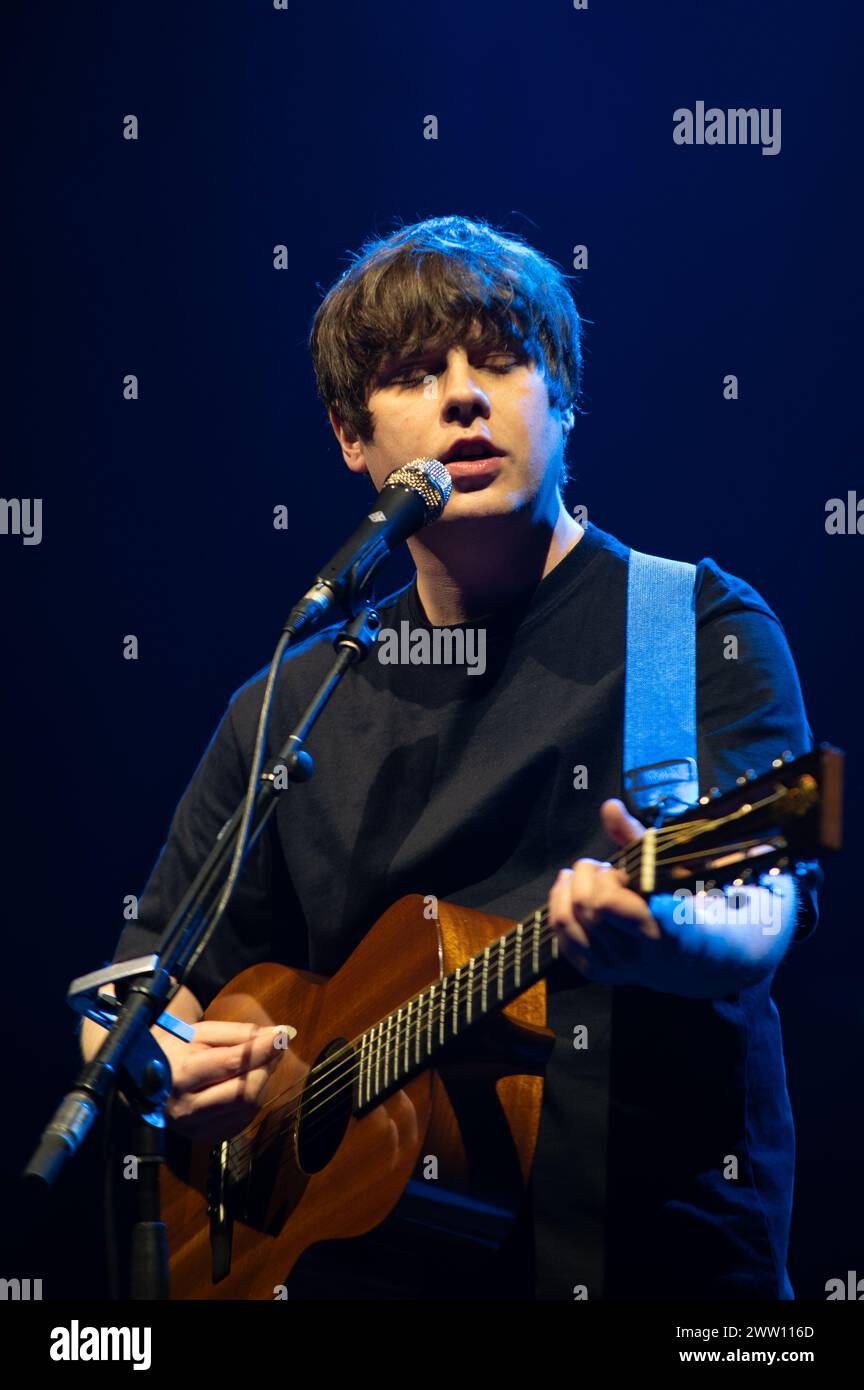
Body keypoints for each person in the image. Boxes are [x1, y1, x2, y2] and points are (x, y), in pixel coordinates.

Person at [80, 214, 821, 1301]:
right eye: (418, 374)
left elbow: (762, 902)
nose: (464, 396)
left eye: (502, 360)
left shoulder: (691, 628)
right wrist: (166, 1056)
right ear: (350, 435)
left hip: (650, 1269)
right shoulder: (293, 698)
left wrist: (679, 930)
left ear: (562, 400)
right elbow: (138, 987)